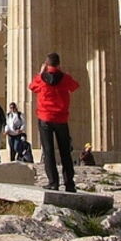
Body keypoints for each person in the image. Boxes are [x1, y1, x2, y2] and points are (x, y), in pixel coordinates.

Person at [29, 52, 79, 193]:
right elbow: (74, 86)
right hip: (61, 119)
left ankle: (53, 182)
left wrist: (40, 72)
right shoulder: (65, 78)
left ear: (46, 64)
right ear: (58, 64)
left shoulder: (40, 78)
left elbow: (32, 87)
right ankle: (69, 184)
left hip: (45, 118)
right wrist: (60, 72)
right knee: (65, 152)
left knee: (48, 151)